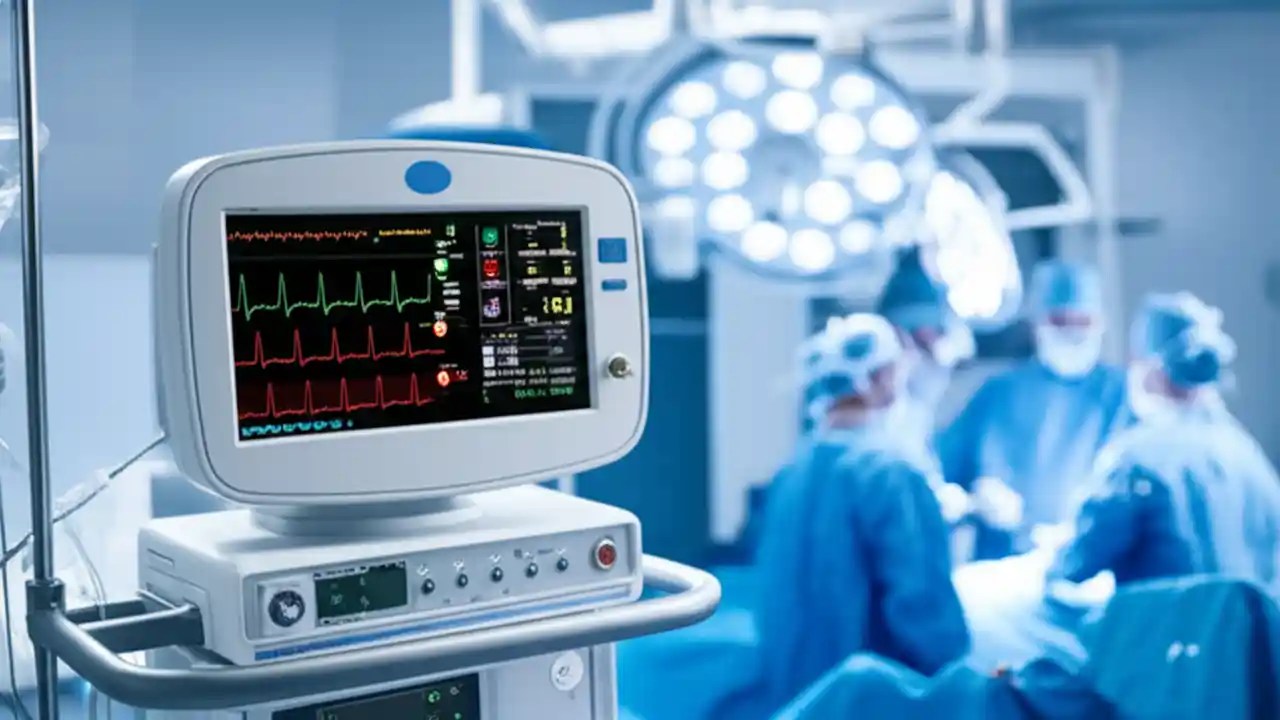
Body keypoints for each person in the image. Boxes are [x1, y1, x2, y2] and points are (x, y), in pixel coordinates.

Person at [755, 313, 970, 711]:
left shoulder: (793, 472)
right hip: (870, 705)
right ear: (884, 378)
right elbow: (925, 614)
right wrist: (966, 688)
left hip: (797, 704)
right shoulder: (891, 474)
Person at [1049, 292, 1280, 593]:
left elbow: (1075, 564)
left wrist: (1054, 555)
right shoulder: (1247, 453)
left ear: (1152, 369)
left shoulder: (1136, 459)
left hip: (1171, 638)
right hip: (1253, 638)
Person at [938, 260, 1129, 560]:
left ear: (1100, 323)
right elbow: (942, 477)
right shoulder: (997, 394)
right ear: (1037, 323)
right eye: (1060, 321)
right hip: (1008, 566)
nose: (1072, 333)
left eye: (1082, 322)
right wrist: (976, 500)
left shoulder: (1123, 395)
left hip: (1096, 568)